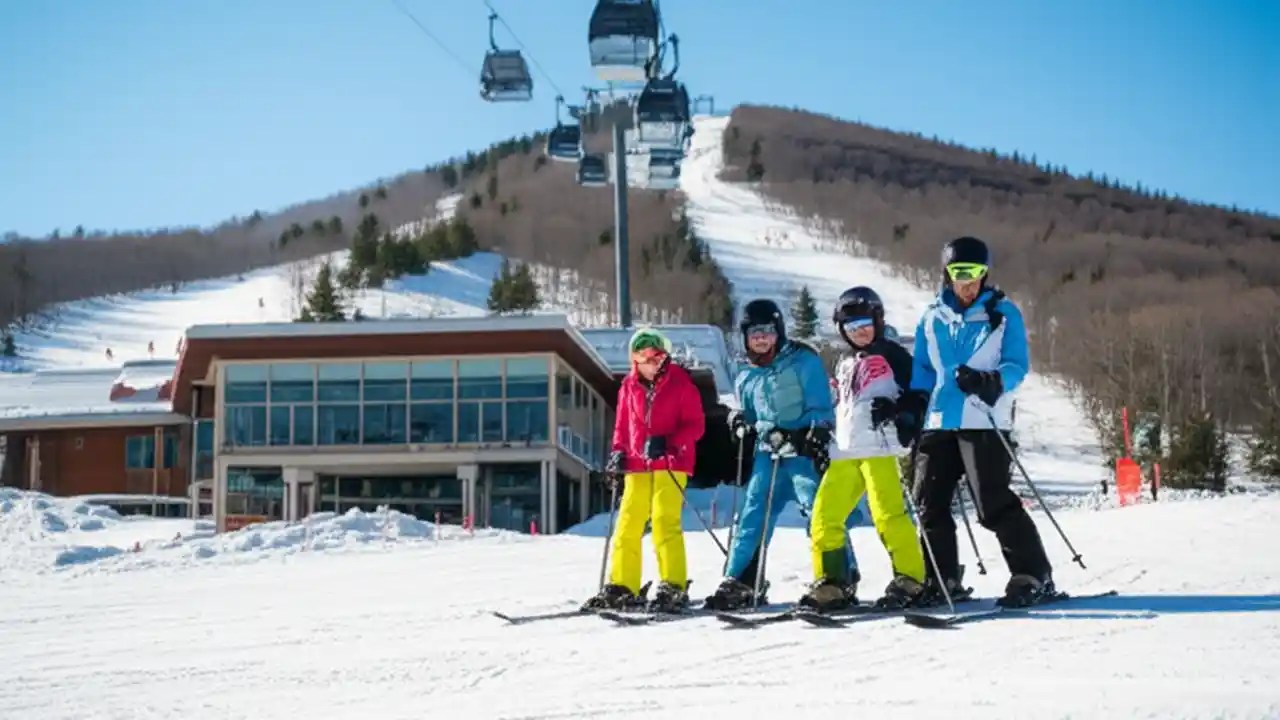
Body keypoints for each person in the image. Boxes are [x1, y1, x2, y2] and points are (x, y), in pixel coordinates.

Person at [897, 236, 1054, 608]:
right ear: (946, 273)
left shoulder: (1002, 313)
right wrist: (914, 404)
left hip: (983, 419)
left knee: (992, 502)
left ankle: (1032, 574)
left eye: (975, 274)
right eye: (959, 273)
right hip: (939, 419)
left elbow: (1017, 364)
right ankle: (942, 579)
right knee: (928, 504)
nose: (967, 283)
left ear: (985, 275)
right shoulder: (932, 316)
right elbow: (922, 367)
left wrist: (991, 381)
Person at [704, 299, 855, 611]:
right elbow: (743, 409)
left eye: (767, 332)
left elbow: (822, 408)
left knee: (819, 511)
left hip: (801, 453)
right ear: (744, 336)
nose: (761, 339)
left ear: (779, 332)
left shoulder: (803, 361)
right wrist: (738, 421)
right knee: (752, 513)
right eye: (754, 333)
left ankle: (838, 577)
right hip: (767, 454)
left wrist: (808, 434)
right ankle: (744, 579)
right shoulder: (745, 372)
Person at [800, 286, 929, 612]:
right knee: (824, 516)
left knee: (888, 516)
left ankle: (911, 578)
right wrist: (821, 432)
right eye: (851, 328)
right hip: (845, 449)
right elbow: (840, 404)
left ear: (878, 321)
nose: (859, 333)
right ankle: (832, 582)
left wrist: (901, 411)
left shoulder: (893, 355)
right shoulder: (843, 360)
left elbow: (920, 393)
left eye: (865, 325)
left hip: (881, 448)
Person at [582, 327, 706, 613]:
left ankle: (673, 584)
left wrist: (670, 443)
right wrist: (617, 453)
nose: (650, 363)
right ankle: (624, 584)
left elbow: (695, 426)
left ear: (665, 357)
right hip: (637, 465)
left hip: (672, 462)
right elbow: (622, 427)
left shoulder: (681, 385)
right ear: (633, 359)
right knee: (628, 523)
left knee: (664, 521)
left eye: (656, 356)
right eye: (642, 357)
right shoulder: (628, 386)